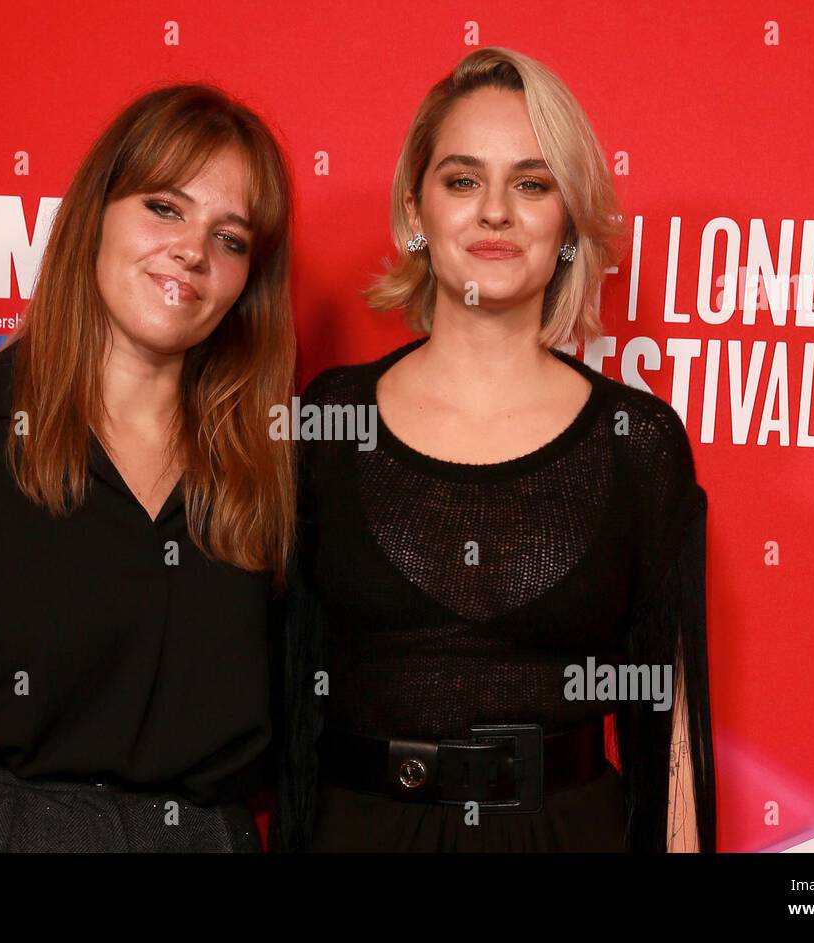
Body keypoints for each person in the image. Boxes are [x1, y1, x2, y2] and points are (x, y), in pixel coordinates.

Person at [0, 83, 297, 852]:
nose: (193, 252)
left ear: (248, 285)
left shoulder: (273, 465)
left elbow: (307, 743)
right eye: (164, 207)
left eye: (230, 238)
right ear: (94, 213)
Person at [272, 47, 717, 853]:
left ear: (569, 221)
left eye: (533, 183)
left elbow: (672, 729)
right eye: (464, 179)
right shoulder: (327, 422)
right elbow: (291, 698)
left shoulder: (638, 445)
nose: (496, 213)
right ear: (417, 210)